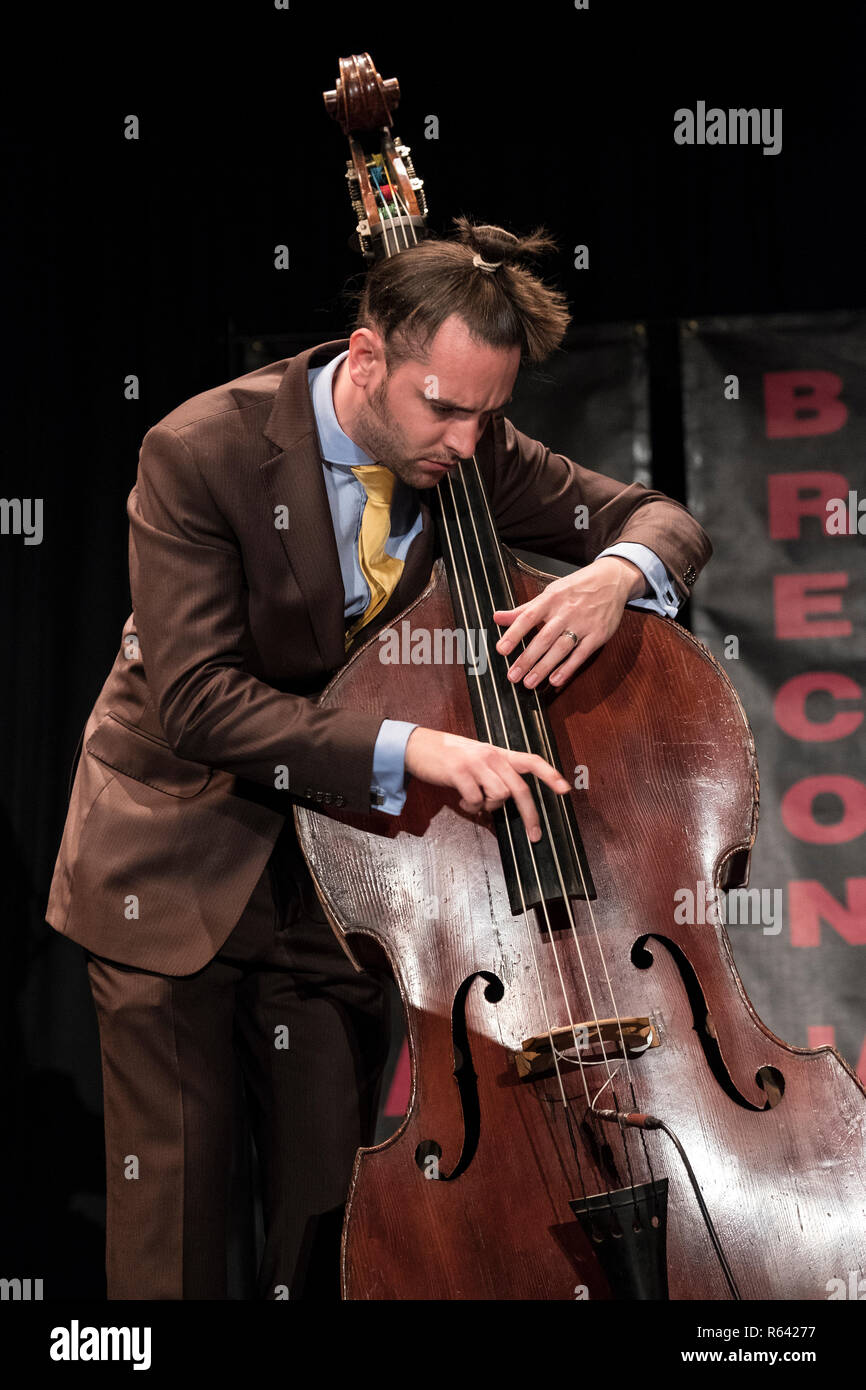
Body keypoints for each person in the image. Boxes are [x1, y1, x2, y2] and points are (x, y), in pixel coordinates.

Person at [45, 218, 711, 1300]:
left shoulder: (470, 453)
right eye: (440, 406)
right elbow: (199, 702)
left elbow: (660, 520)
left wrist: (613, 573)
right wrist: (424, 748)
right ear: (366, 358)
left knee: (329, 1225)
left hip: (345, 886)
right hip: (173, 867)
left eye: (486, 413)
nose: (463, 440)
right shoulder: (199, 451)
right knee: (172, 1230)